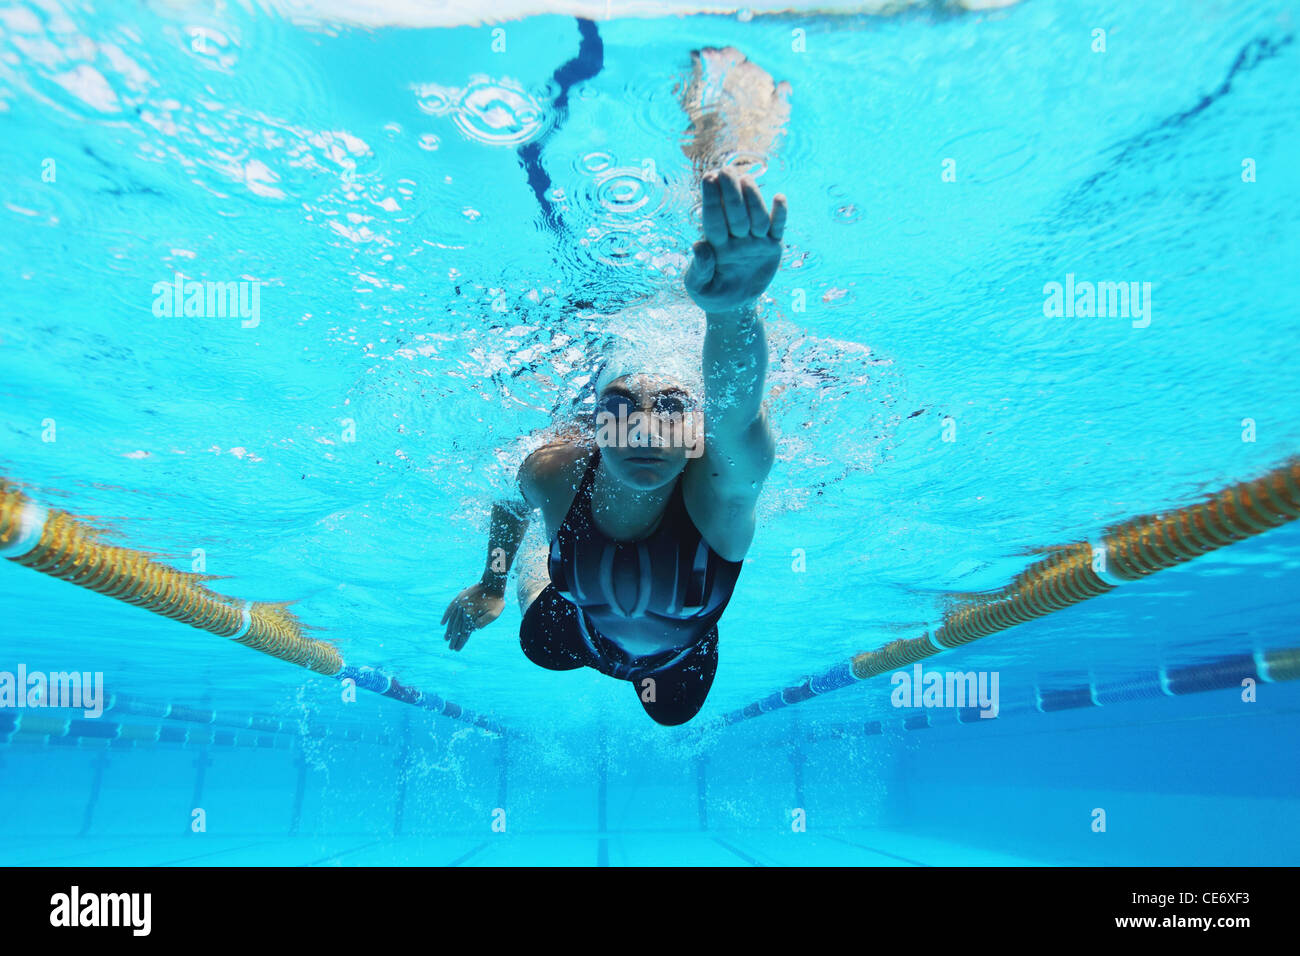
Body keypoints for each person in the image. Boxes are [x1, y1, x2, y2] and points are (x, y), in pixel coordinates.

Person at [441, 49, 788, 725]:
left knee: (671, 711)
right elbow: (512, 506)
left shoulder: (718, 498)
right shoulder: (555, 471)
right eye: (623, 408)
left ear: (697, 435)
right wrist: (491, 583)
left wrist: (733, 309)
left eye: (674, 410)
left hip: (673, 657)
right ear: (595, 422)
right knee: (539, 640)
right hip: (576, 630)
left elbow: (739, 411)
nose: (647, 428)